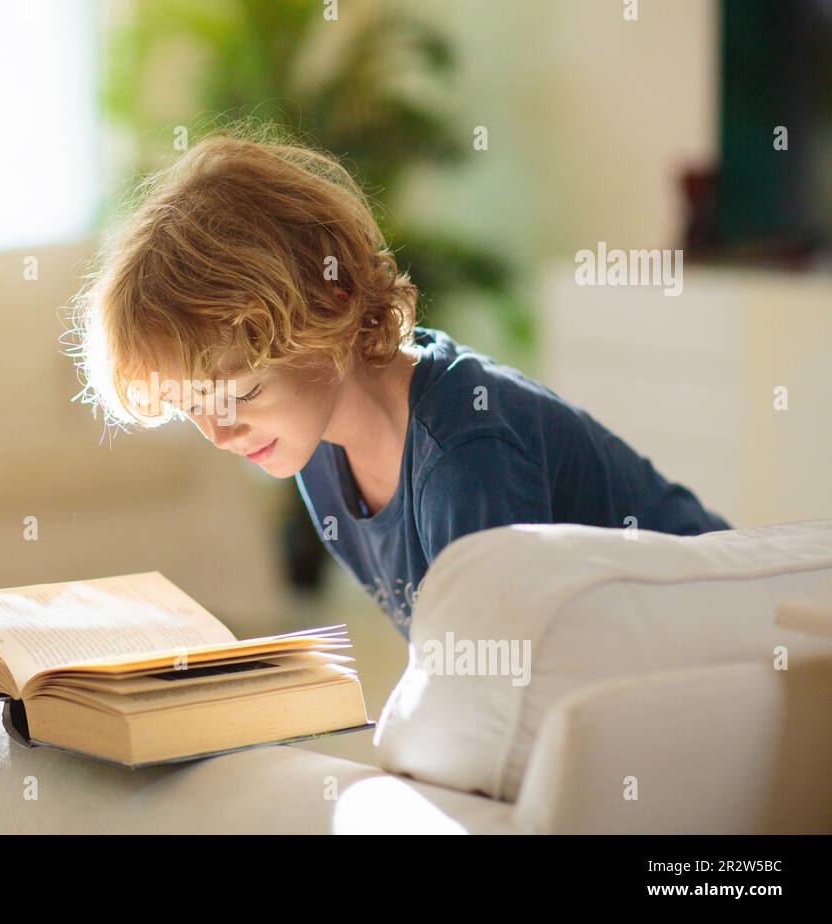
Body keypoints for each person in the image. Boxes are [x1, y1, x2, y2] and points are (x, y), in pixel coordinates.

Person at [68, 126, 730, 641]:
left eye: (238, 393)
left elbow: (501, 695)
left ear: (334, 300)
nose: (218, 433)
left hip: (721, 634)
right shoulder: (317, 458)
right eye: (192, 410)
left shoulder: (462, 459)